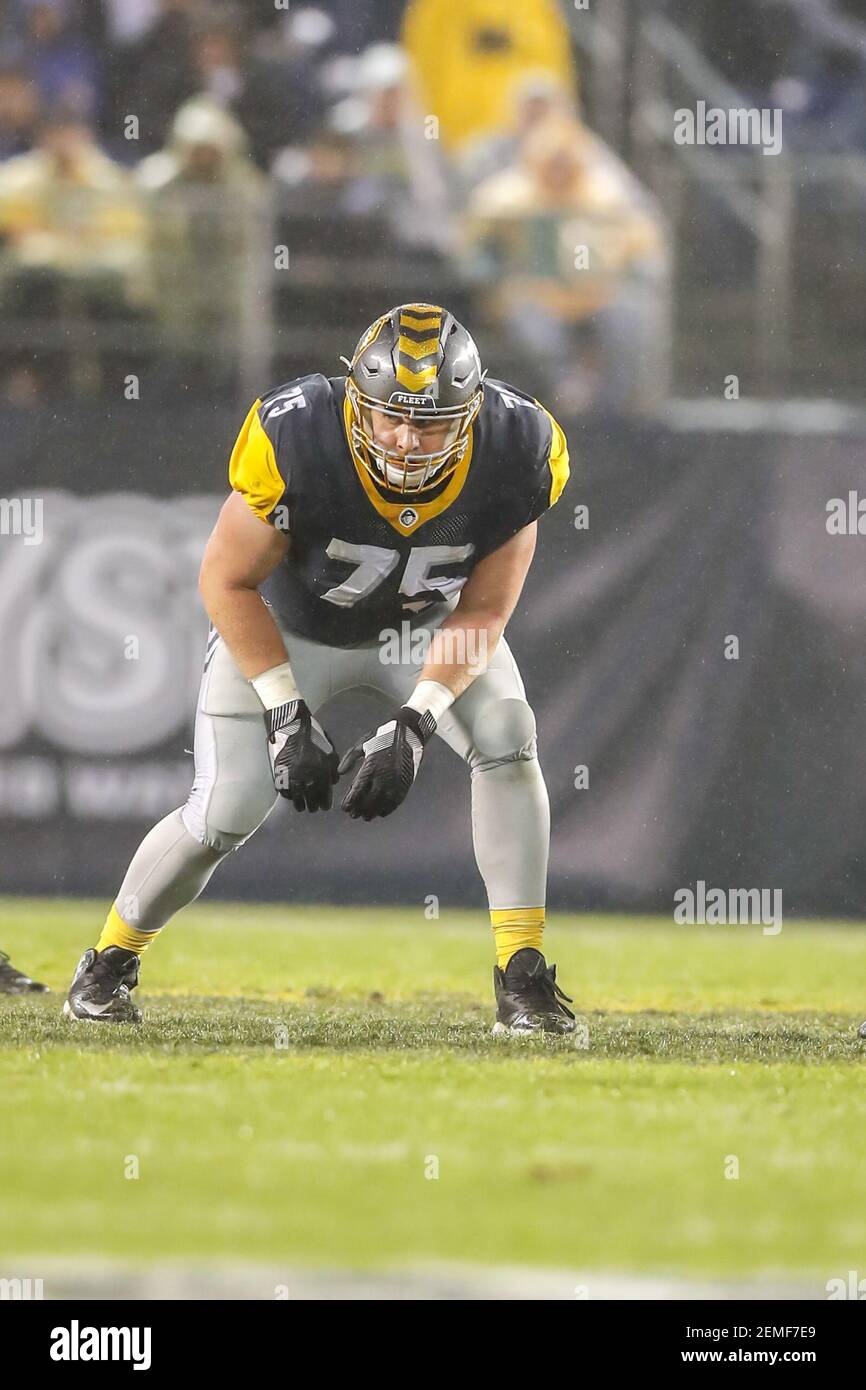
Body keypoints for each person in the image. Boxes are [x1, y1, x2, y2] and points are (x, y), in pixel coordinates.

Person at [63, 303, 576, 1038]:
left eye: (430, 423)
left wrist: (416, 723)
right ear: (355, 400)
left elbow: (485, 613)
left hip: (423, 632)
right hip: (292, 630)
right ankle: (108, 962)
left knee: (506, 729)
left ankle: (521, 976)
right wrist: (284, 711)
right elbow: (224, 581)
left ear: (471, 413)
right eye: (390, 417)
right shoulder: (297, 431)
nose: (406, 440)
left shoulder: (518, 445)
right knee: (228, 809)